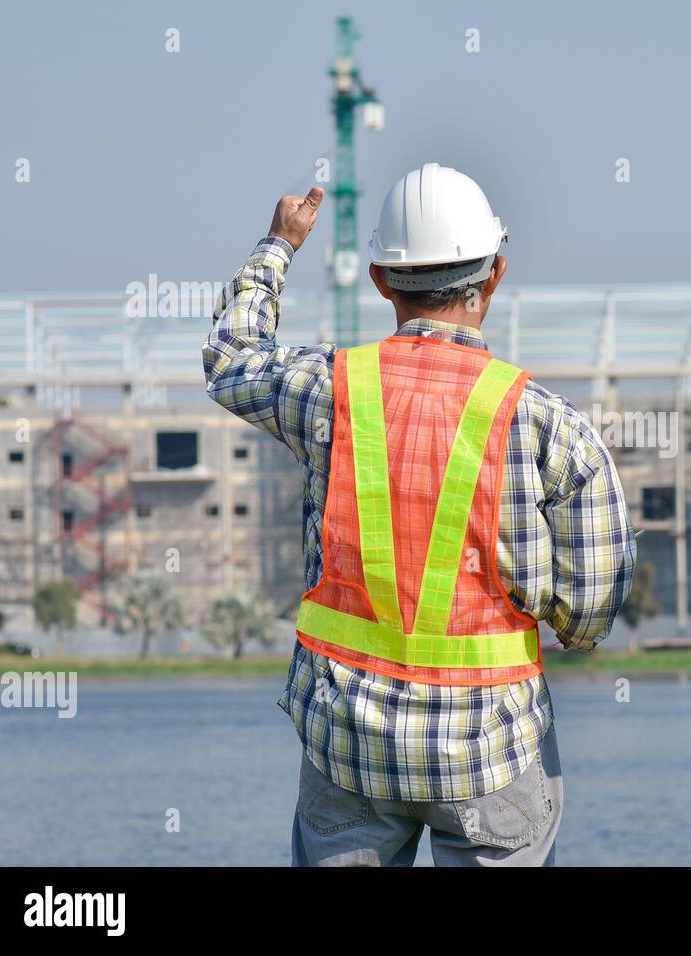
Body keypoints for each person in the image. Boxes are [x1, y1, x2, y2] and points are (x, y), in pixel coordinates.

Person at [204, 163, 635, 866]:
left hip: (348, 743)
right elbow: (587, 617)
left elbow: (230, 360)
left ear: (381, 281)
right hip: (492, 748)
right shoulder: (547, 424)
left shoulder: (329, 392)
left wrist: (278, 245)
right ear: (494, 275)